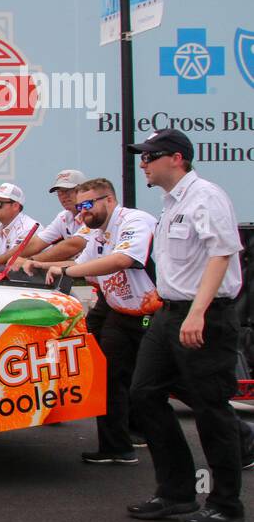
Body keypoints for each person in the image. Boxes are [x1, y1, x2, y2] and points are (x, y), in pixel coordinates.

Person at [124, 129, 246, 522]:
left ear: (175, 158)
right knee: (144, 394)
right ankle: (176, 493)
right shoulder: (170, 201)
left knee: (211, 408)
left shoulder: (205, 196)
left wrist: (197, 311)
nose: (143, 162)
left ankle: (226, 506)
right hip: (170, 312)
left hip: (204, 315)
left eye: (149, 156)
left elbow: (222, 253)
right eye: (142, 156)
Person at [41, 179, 160, 465]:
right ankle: (116, 447)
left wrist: (63, 268)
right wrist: (35, 264)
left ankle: (242, 439)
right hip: (120, 313)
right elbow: (78, 263)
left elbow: (121, 260)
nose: (82, 212)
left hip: (154, 316)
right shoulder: (98, 233)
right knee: (106, 377)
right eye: (79, 207)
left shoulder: (135, 220)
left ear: (109, 200)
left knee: (175, 383)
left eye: (87, 205)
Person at [10, 169, 92, 276]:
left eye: (68, 190)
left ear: (83, 191)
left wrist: (30, 261)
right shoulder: (64, 216)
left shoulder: (92, 213)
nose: (63, 196)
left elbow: (73, 246)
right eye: (59, 192)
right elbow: (36, 243)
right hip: (97, 280)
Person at [0, 183, 39, 275]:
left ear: (15, 206)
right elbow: (7, 263)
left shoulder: (29, 228)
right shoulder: (1, 229)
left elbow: (17, 266)